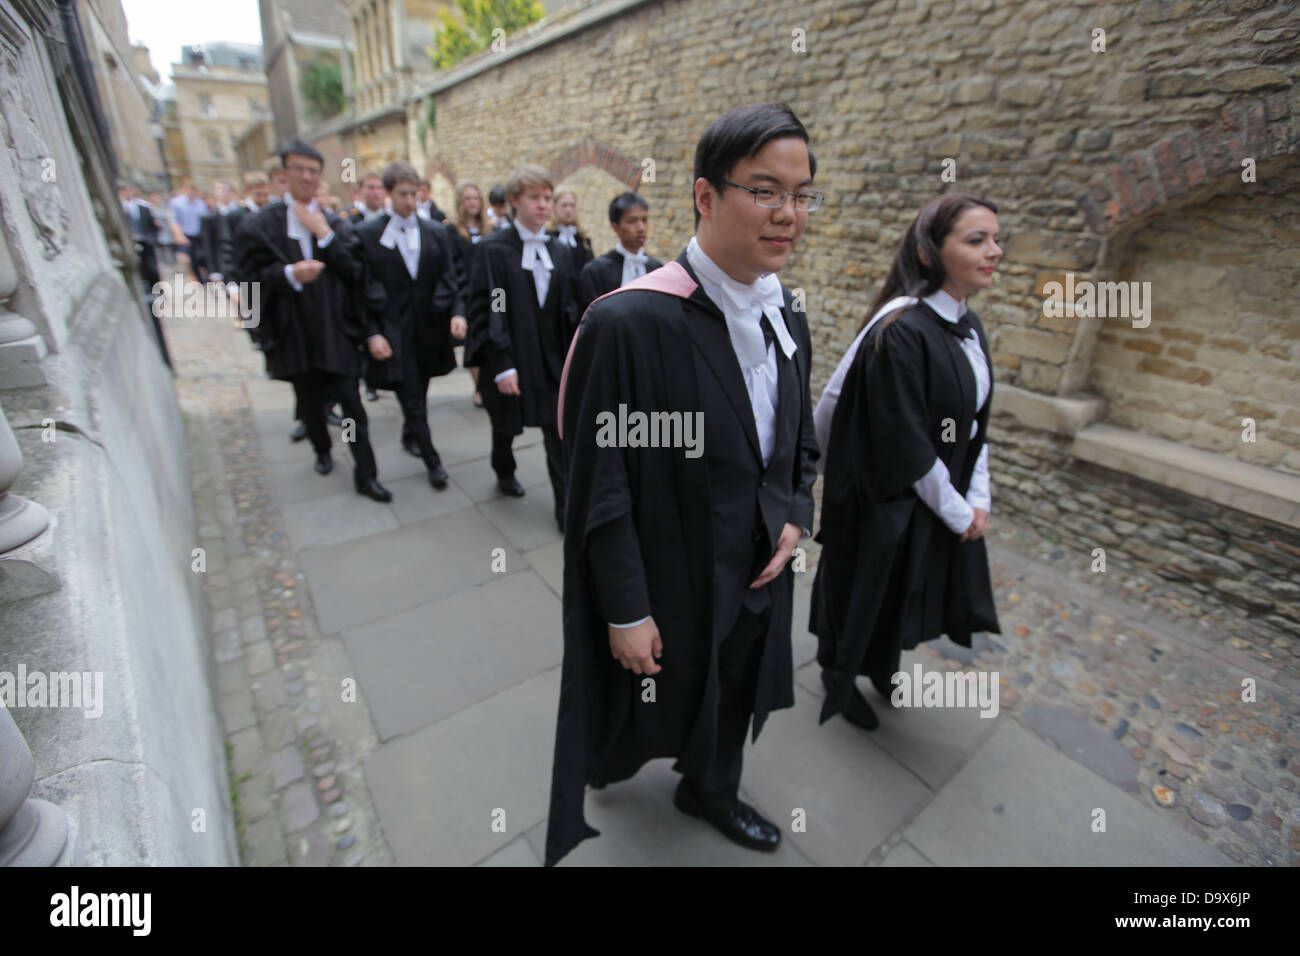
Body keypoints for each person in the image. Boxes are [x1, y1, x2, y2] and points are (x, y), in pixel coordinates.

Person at [544, 102, 822, 866]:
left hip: (759, 569)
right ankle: (609, 758)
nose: (788, 214)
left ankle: (712, 789)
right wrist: (626, 608)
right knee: (636, 696)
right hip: (669, 570)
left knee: (733, 694)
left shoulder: (787, 314)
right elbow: (601, 485)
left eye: (801, 195)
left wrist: (795, 513)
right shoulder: (632, 326)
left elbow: (798, 435)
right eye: (765, 191)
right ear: (705, 196)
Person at [810, 192, 1003, 731]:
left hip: (934, 498)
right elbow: (908, 442)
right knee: (862, 590)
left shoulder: (969, 328)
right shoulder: (902, 333)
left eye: (995, 238)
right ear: (928, 253)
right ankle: (838, 673)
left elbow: (975, 423)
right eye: (976, 240)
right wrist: (960, 513)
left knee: (902, 591)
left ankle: (882, 665)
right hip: (887, 498)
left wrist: (979, 495)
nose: (995, 251)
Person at [233, 140, 391, 502]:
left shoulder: (335, 222)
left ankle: (364, 471)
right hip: (295, 334)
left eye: (313, 171)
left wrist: (325, 235)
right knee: (309, 403)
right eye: (298, 169)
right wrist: (288, 274)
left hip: (337, 332)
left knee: (351, 408)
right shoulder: (260, 226)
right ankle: (321, 449)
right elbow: (247, 279)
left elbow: (357, 274)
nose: (306, 176)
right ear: (284, 174)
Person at [464, 164, 580, 527]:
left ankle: (565, 506)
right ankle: (504, 469)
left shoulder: (560, 251)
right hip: (514, 353)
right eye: (535, 198)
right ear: (515, 201)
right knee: (506, 425)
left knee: (557, 430)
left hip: (551, 359)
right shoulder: (494, 250)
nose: (544, 205)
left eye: (547, 197)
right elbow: (490, 304)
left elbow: (568, 306)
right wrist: (501, 363)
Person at [354, 161, 467, 490]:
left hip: (429, 329)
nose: (409, 200)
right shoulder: (368, 234)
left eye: (414, 193)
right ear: (388, 194)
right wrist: (372, 332)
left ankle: (409, 433)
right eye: (402, 194)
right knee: (413, 396)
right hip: (394, 329)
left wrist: (457, 313)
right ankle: (433, 460)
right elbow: (361, 289)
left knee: (420, 388)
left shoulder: (436, 231)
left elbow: (451, 277)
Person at [577, 192, 662, 314]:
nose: (641, 228)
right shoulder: (596, 271)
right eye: (632, 221)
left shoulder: (656, 268)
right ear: (615, 227)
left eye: (644, 220)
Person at [449, 182, 489, 408]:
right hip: (467, 293)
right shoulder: (453, 231)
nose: (472, 202)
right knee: (472, 341)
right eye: (468, 199)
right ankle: (479, 387)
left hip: (488, 294)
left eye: (476, 198)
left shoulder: (489, 229)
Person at [119, 181, 159, 293]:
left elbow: (152, 224)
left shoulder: (143, 206)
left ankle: (156, 289)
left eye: (128, 190)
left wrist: (152, 239)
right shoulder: (121, 207)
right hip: (132, 242)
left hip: (146, 241)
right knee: (140, 268)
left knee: (152, 268)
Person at [169, 179, 208, 281]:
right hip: (185, 235)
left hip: (199, 235)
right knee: (187, 259)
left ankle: (201, 276)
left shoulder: (201, 203)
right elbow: (174, 220)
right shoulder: (177, 203)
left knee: (199, 258)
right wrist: (178, 235)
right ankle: (192, 277)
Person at [547, 189, 594, 273]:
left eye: (572, 205)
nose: (568, 210)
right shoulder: (547, 236)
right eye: (564, 205)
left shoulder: (583, 239)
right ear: (554, 207)